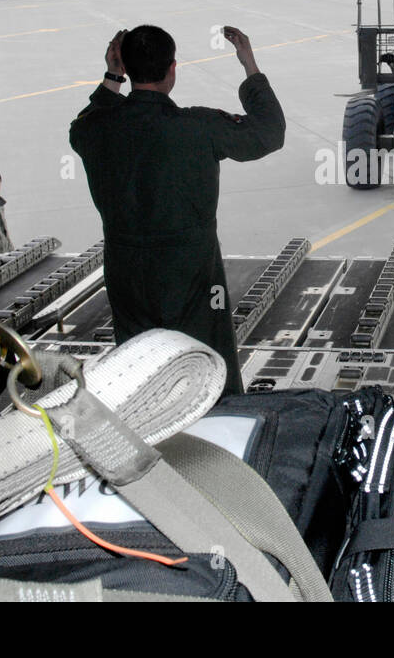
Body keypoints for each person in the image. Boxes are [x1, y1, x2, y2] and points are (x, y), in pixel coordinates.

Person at [69, 24, 284, 395]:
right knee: (208, 368)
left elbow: (87, 121)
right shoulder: (198, 126)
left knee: (137, 372)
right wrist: (249, 64)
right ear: (172, 69)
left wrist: (112, 76)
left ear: (125, 66)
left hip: (127, 276)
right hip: (194, 277)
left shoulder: (94, 130)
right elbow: (269, 133)